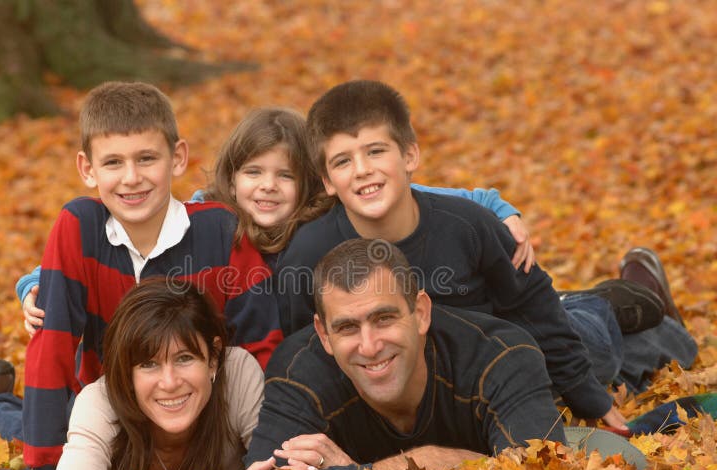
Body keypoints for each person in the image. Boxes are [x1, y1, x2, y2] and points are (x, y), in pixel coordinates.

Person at [275, 79, 697, 430]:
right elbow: (310, 350)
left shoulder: (467, 225)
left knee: (590, 356)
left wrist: (591, 400)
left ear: (410, 155)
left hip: (510, 346)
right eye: (343, 161)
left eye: (375, 151)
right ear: (327, 180)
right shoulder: (309, 257)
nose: (363, 169)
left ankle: (633, 312)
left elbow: (532, 305)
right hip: (428, 382)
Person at [0, 81, 282, 470]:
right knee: (24, 438)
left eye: (147, 158)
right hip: (111, 414)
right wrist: (44, 469)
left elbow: (262, 349)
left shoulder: (220, 231)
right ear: (87, 169)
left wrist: (262, 461)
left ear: (177, 158)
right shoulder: (80, 228)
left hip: (199, 413)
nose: (131, 178)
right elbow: (53, 347)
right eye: (113, 162)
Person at [17, 107, 536, 335]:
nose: (266, 187)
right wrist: (36, 283)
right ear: (231, 176)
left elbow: (414, 192)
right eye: (252, 172)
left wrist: (495, 207)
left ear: (309, 183)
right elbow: (116, 237)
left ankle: (603, 310)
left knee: (572, 319)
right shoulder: (205, 215)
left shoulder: (325, 220)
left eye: (283, 176)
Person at [244, 238, 567, 470]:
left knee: (597, 340)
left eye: (384, 318)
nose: (369, 346)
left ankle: (608, 302)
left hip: (573, 344)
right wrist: (472, 463)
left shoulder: (500, 355)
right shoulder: (299, 370)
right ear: (324, 334)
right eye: (347, 328)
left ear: (421, 313)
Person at [53, 277, 272, 470]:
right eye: (149, 364)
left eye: (184, 358)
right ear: (127, 373)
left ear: (213, 357)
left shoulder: (238, 375)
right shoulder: (98, 403)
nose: (169, 383)